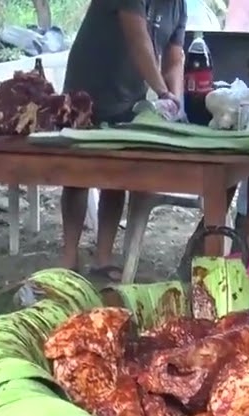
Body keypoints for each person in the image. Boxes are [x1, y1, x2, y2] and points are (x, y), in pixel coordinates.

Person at [58, 0, 187, 282]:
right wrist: (163, 92)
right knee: (77, 175)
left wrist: (175, 102)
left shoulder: (179, 5)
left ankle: (103, 259)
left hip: (128, 96)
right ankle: (68, 259)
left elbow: (175, 58)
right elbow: (137, 37)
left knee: (117, 176)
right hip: (87, 89)